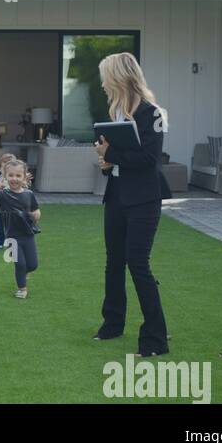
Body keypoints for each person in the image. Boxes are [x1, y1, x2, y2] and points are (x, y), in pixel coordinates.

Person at [92, 52, 173, 356]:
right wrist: (105, 159)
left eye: (105, 76)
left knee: (137, 265)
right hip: (116, 196)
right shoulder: (115, 113)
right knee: (113, 262)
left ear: (119, 77)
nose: (102, 84)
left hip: (143, 199)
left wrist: (110, 155)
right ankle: (112, 324)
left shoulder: (152, 114)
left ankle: (155, 339)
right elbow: (118, 159)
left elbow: (150, 160)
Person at [0, 159, 41, 298]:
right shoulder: (3, 194)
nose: (14, 179)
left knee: (32, 265)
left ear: (24, 177)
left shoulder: (28, 194)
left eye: (18, 175)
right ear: (5, 176)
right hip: (11, 236)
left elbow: (36, 210)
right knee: (20, 264)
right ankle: (22, 289)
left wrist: (36, 215)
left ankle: (23, 274)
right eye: (11, 175)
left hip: (28, 235)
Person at [0, 153, 17, 250]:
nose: (5, 170)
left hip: (12, 209)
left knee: (11, 228)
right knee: (0, 228)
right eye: (3, 167)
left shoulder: (15, 179)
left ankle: (11, 243)